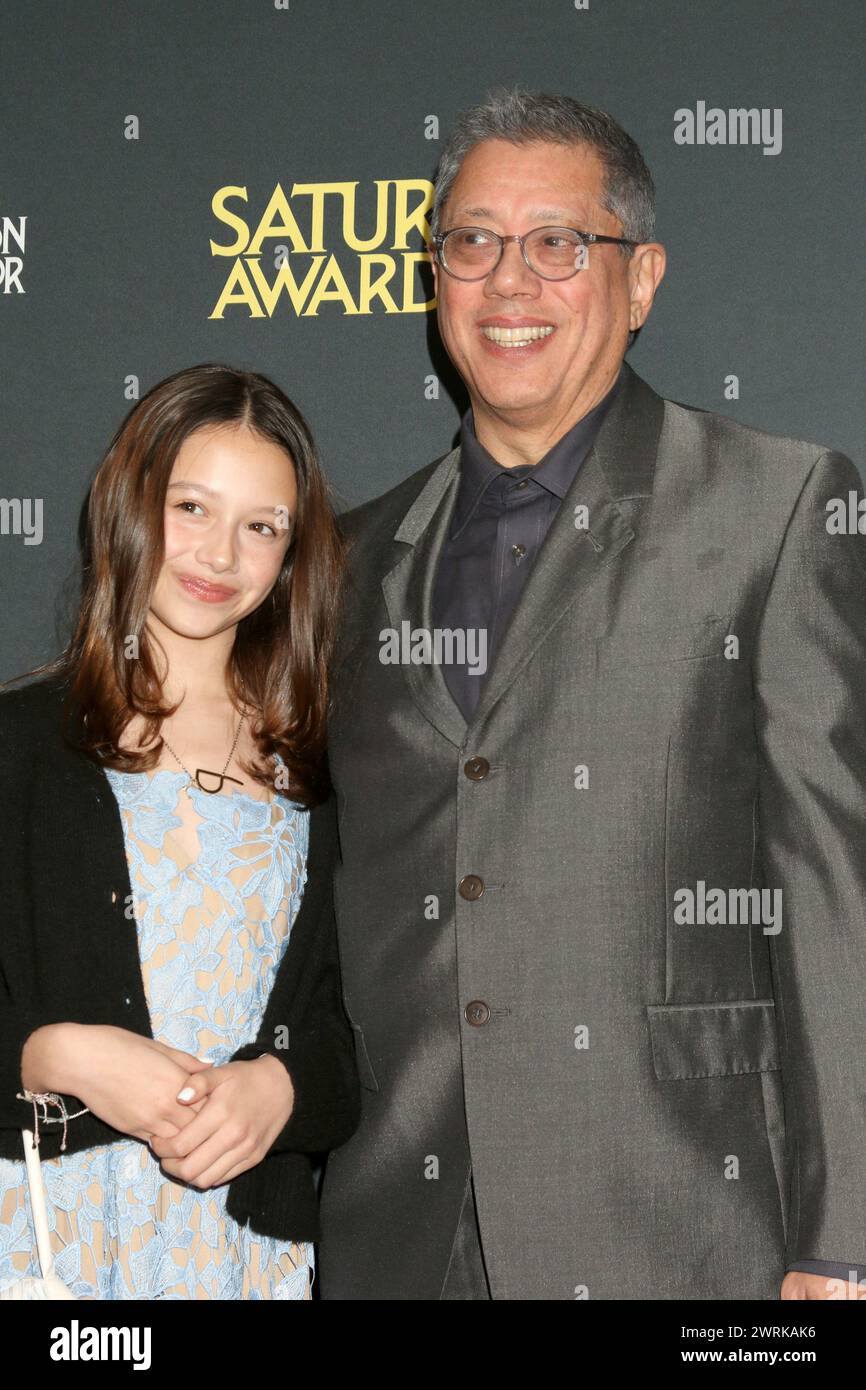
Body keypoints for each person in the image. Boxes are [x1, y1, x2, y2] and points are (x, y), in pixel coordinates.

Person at [315, 87, 866, 1299]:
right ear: (433, 276)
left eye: (558, 243)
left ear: (641, 277)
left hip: (681, 1234)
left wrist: (845, 1239)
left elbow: (834, 896)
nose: (508, 282)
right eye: (471, 242)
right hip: (400, 1246)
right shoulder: (345, 565)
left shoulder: (768, 510)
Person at [0, 363, 360, 1299]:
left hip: (243, 1248)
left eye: (261, 526)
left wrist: (280, 1090)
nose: (219, 555)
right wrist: (57, 1055)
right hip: (46, 1234)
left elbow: (356, 1035)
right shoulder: (18, 744)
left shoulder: (325, 769)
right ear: (129, 502)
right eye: (190, 507)